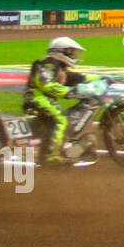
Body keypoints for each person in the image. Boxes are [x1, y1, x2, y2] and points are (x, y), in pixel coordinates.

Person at [24, 36, 99, 164]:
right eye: (72, 52)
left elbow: (76, 78)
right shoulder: (49, 64)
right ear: (62, 52)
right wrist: (69, 92)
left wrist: (99, 78)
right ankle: (53, 156)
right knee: (62, 120)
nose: (74, 56)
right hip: (36, 99)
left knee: (56, 122)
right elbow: (44, 83)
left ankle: (49, 148)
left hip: (41, 99)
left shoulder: (58, 67)